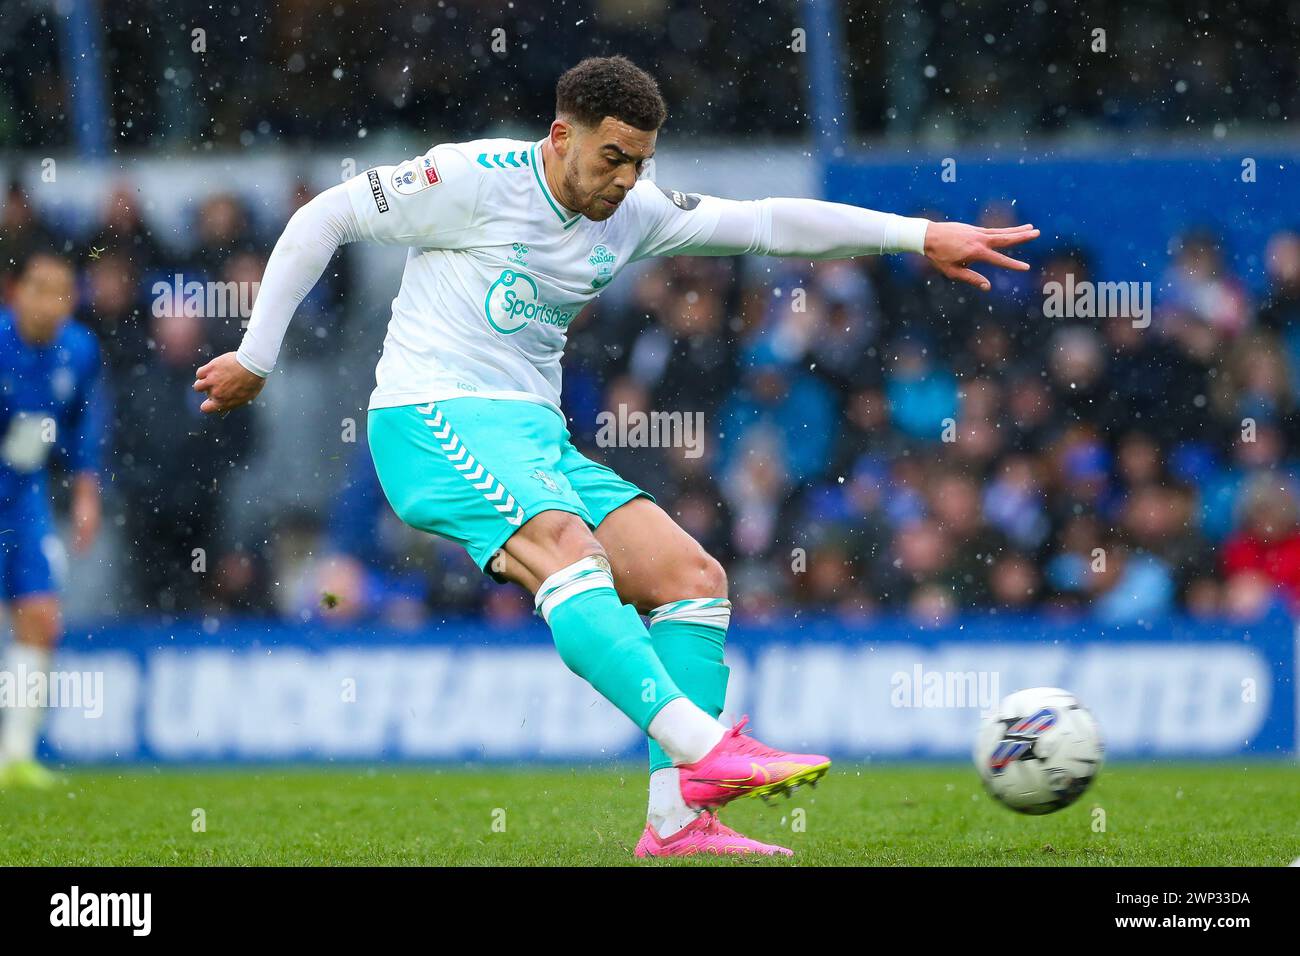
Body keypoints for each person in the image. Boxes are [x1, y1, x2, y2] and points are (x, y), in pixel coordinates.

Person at [193, 56, 1037, 857]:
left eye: (640, 161)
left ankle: (676, 822)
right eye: (612, 158)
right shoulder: (475, 178)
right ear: (561, 136)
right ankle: (706, 746)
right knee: (571, 551)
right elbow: (324, 216)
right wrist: (257, 356)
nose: (627, 179)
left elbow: (768, 222)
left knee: (691, 576)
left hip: (535, 437)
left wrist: (919, 233)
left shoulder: (631, 212)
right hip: (431, 417)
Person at [0, 250, 105, 788]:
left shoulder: (79, 351)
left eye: (62, 292)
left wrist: (87, 494)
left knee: (40, 617)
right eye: (39, 289)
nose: (49, 303)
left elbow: (86, 428)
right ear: (16, 291)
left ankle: (14, 756)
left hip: (23, 497)